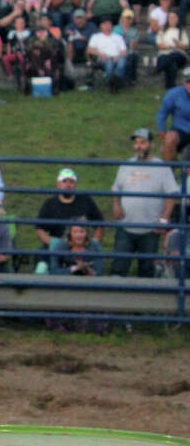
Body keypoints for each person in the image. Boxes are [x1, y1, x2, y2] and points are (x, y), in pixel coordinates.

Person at [110, 128, 177, 278]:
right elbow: (116, 189)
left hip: (150, 230)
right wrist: (116, 204)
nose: (139, 146)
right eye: (137, 143)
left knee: (146, 271)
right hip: (125, 226)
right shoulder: (125, 165)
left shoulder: (162, 167)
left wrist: (163, 220)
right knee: (118, 269)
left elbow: (171, 195)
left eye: (143, 142)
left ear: (151, 145)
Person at [35, 168, 104, 250]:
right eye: (64, 181)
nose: (68, 185)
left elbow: (100, 225)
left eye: (71, 182)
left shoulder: (86, 200)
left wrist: (93, 244)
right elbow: (39, 229)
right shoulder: (49, 204)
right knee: (41, 259)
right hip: (58, 247)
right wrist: (54, 243)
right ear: (58, 184)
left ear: (75, 185)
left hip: (82, 246)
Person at [87, 17, 129, 91]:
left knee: (122, 62)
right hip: (103, 58)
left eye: (109, 24)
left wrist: (118, 56)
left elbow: (124, 51)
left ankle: (115, 81)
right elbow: (89, 50)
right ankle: (111, 83)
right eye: (105, 24)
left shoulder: (118, 37)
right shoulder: (96, 37)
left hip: (117, 57)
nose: (107, 26)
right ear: (101, 26)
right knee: (109, 63)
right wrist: (100, 54)